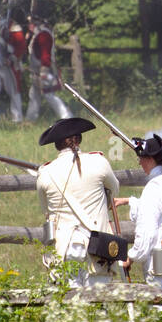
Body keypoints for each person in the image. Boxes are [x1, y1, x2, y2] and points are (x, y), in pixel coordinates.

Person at [36, 116, 123, 288]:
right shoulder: (99, 161)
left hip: (64, 249)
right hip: (97, 245)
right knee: (100, 304)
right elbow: (114, 191)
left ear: (57, 144)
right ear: (78, 139)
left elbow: (45, 209)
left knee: (71, 307)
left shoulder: (45, 172)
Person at [122, 134, 162, 322]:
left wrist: (132, 256)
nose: (140, 163)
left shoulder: (154, 187)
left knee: (159, 295)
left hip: (160, 250)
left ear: (149, 159)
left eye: (141, 158)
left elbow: (147, 229)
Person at [25, 15, 70, 123]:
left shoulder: (43, 35)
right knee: (34, 95)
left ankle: (67, 117)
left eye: (32, 23)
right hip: (37, 71)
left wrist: (44, 71)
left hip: (44, 70)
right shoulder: (38, 35)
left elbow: (45, 55)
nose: (30, 25)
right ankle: (30, 119)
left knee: (49, 95)